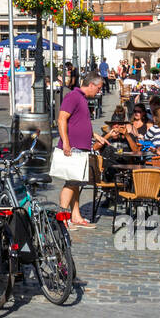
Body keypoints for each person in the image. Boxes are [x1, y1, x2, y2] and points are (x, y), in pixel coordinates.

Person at [56, 73, 108, 228]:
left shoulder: (82, 98)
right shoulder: (73, 96)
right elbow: (61, 119)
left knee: (76, 182)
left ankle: (76, 216)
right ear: (91, 84)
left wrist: (94, 134)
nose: (99, 92)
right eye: (98, 88)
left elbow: (78, 122)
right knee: (71, 181)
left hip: (81, 146)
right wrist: (66, 142)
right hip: (73, 147)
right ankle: (62, 217)